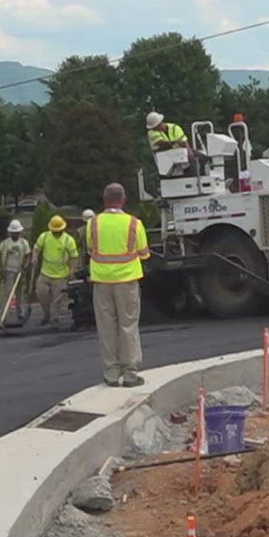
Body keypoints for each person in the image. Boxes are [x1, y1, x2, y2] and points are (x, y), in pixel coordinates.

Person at [85, 183, 151, 387]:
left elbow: (90, 249)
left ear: (104, 200)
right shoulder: (133, 223)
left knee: (106, 327)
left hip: (102, 281)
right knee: (128, 326)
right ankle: (130, 374)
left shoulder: (93, 223)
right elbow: (144, 253)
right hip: (127, 281)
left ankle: (111, 373)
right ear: (123, 200)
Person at [31, 213, 81, 329]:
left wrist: (72, 270)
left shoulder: (68, 240)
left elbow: (74, 256)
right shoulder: (44, 237)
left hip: (60, 275)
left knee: (58, 298)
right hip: (45, 273)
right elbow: (36, 248)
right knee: (41, 292)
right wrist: (34, 256)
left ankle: (55, 318)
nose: (56, 232)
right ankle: (46, 313)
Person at [0, 219, 31, 323]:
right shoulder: (5, 243)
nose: (15, 234)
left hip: (19, 271)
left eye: (17, 233)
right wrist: (1, 269)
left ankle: (19, 313)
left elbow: (27, 256)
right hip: (9, 271)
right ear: (10, 232)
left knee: (19, 293)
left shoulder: (24, 243)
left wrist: (24, 267)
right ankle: (4, 315)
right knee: (8, 293)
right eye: (13, 232)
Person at [147, 111, 190, 176]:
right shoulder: (152, 132)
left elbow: (184, 141)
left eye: (155, 127)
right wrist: (176, 143)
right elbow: (161, 143)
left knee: (198, 157)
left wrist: (189, 151)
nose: (154, 129)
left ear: (159, 124)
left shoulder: (175, 128)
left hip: (178, 154)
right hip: (163, 158)